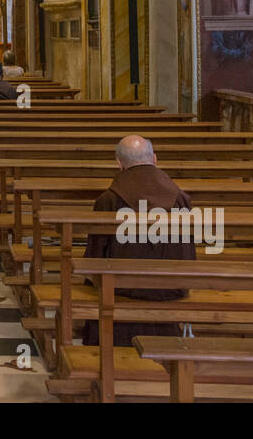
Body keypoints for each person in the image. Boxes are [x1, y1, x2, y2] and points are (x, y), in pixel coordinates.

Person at [81, 135, 196, 348]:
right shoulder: (180, 198)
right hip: (170, 288)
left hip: (120, 288)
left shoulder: (108, 200)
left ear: (119, 163)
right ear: (154, 159)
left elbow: (95, 255)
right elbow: (187, 249)